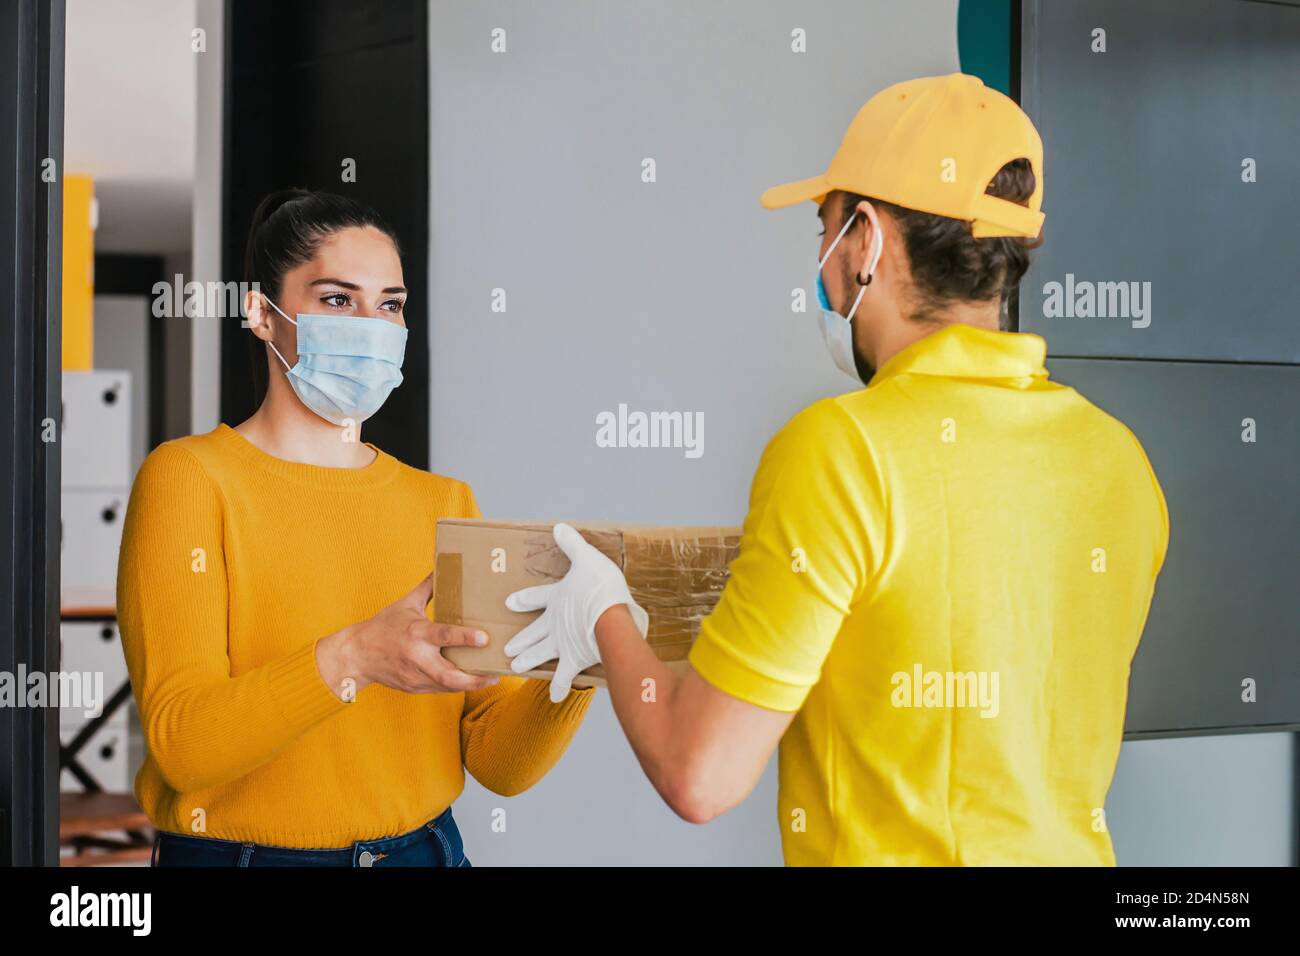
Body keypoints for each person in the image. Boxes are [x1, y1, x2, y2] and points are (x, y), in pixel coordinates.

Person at [504, 74, 1169, 865]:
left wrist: (601, 613)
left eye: (822, 231)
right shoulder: (1117, 457)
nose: (820, 262)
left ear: (866, 238)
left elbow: (700, 773)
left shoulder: (842, 450)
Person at [118, 189, 593, 867]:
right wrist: (353, 658)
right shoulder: (190, 479)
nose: (371, 325)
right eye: (338, 300)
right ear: (259, 312)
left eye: (390, 304)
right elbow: (184, 745)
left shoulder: (446, 499)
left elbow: (498, 764)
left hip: (426, 853)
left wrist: (574, 668)